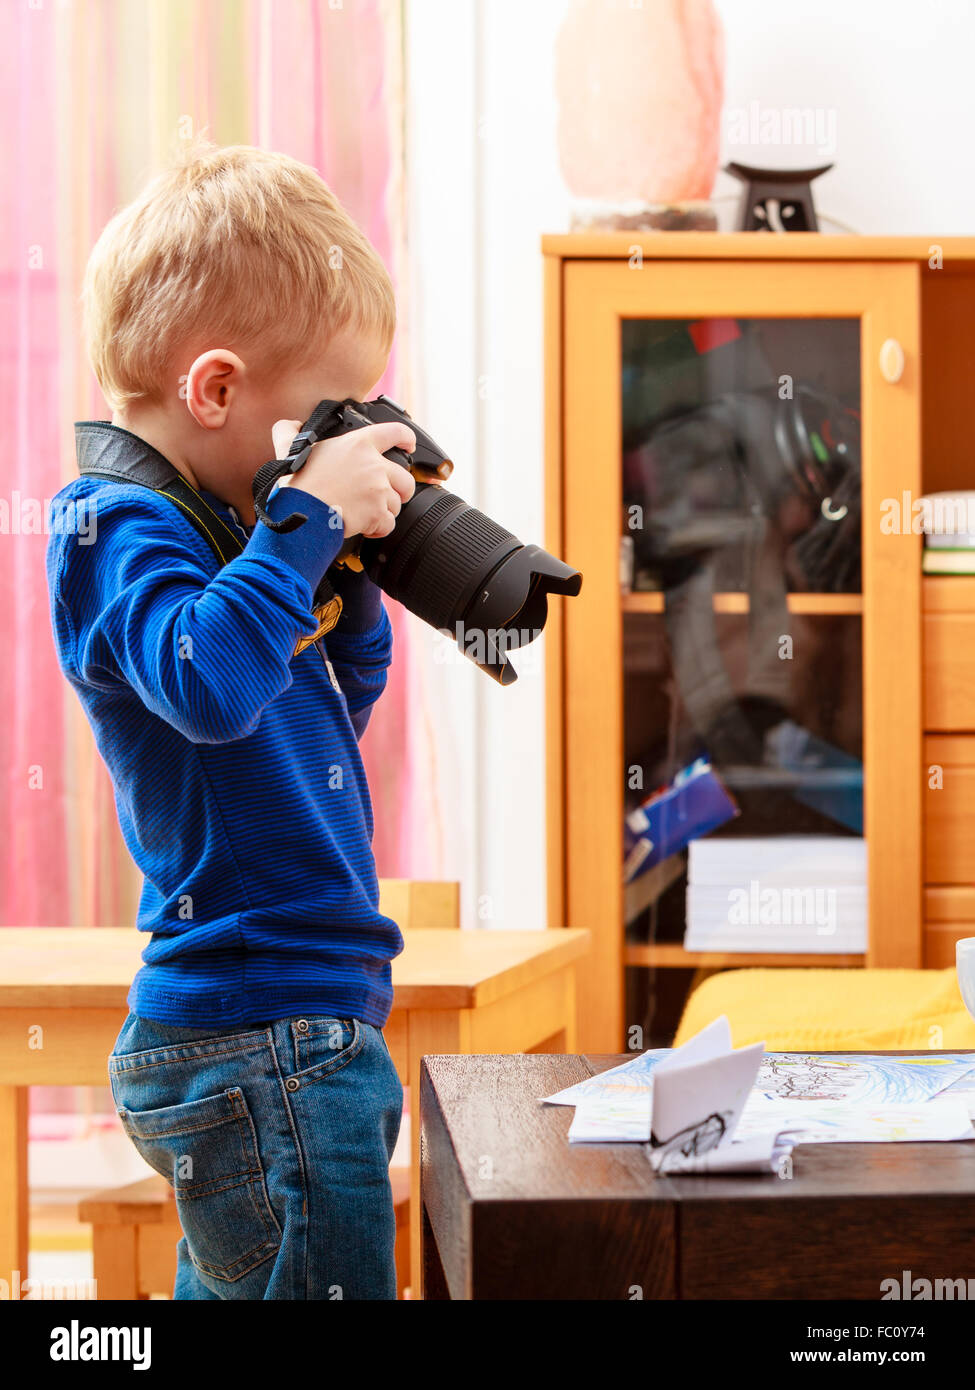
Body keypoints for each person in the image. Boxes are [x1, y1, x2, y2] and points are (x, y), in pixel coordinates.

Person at [45, 142, 416, 1300]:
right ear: (213, 391)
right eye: (315, 422)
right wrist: (301, 523)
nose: (326, 451)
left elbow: (309, 715)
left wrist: (343, 580)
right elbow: (206, 684)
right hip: (260, 1030)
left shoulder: (223, 542)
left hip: (296, 1028)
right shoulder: (113, 530)